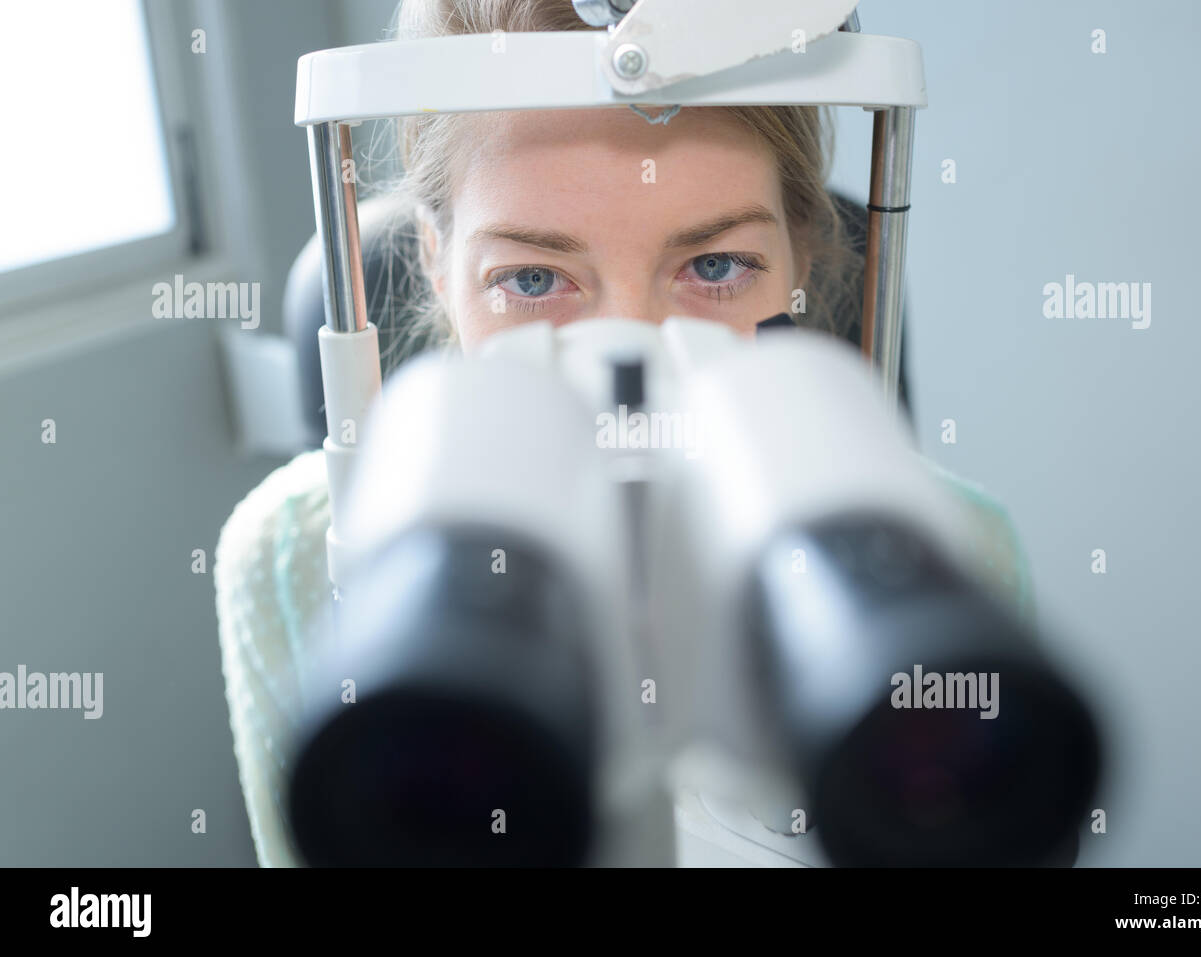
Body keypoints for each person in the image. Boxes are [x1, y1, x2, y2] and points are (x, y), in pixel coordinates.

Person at [213, 0, 1036, 867]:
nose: (632, 354)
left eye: (714, 267)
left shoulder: (957, 553)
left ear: (800, 255)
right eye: (533, 277)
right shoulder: (290, 557)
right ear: (432, 260)